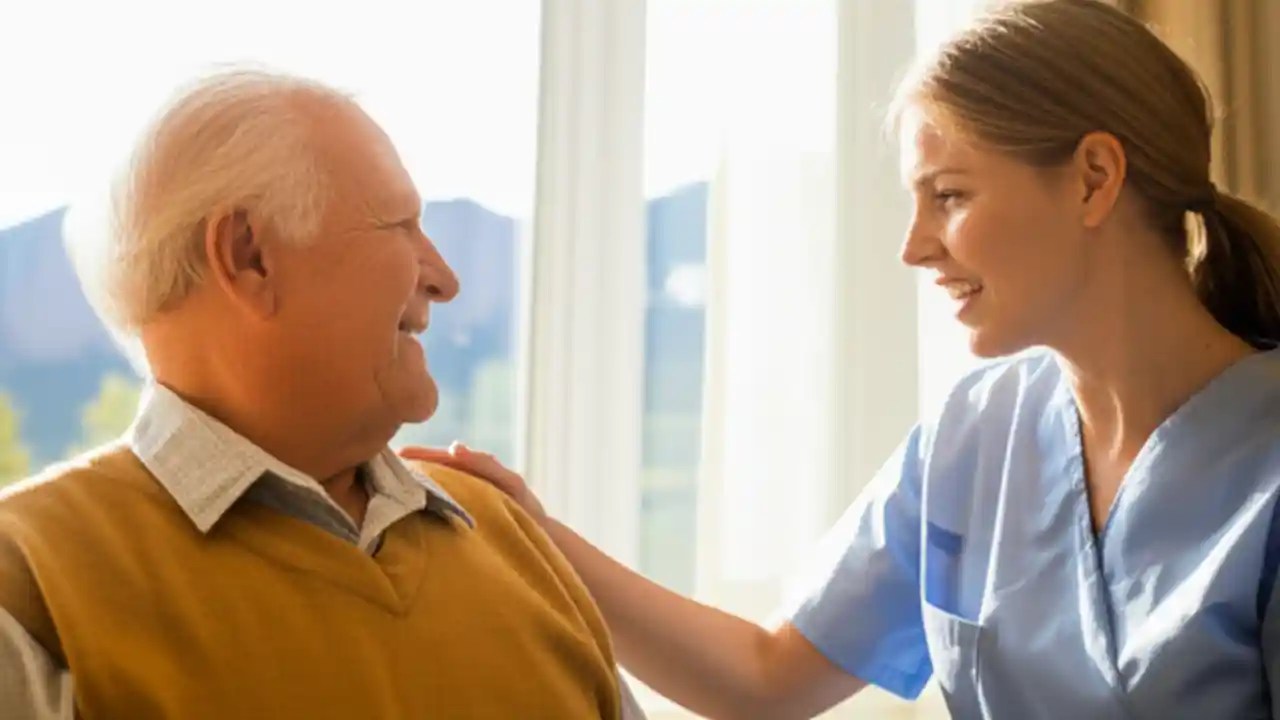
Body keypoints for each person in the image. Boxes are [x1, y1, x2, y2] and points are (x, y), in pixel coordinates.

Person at [401, 1, 1280, 717]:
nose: (914, 247)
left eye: (950, 196)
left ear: (1093, 178)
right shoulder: (973, 439)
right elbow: (766, 679)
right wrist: (535, 536)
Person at [0, 70, 640, 719]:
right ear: (250, 255)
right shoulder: (27, 587)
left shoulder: (514, 536)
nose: (444, 280)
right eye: (400, 226)